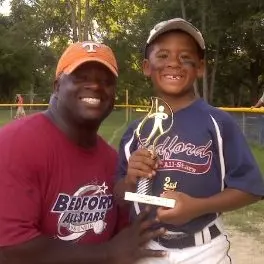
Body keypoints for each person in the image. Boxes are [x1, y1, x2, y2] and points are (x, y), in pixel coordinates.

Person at [0, 41, 166, 264]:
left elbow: (125, 237)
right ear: (57, 86)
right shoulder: (15, 143)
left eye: (106, 81)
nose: (95, 86)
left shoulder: (112, 161)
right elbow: (13, 249)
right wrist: (108, 253)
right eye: (81, 77)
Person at [114, 18, 264, 264]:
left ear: (201, 67)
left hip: (204, 250)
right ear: (146, 66)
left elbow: (251, 189)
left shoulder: (218, 122)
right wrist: (131, 179)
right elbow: (120, 197)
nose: (173, 62)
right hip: (147, 248)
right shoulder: (135, 133)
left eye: (185, 56)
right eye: (162, 55)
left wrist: (197, 207)